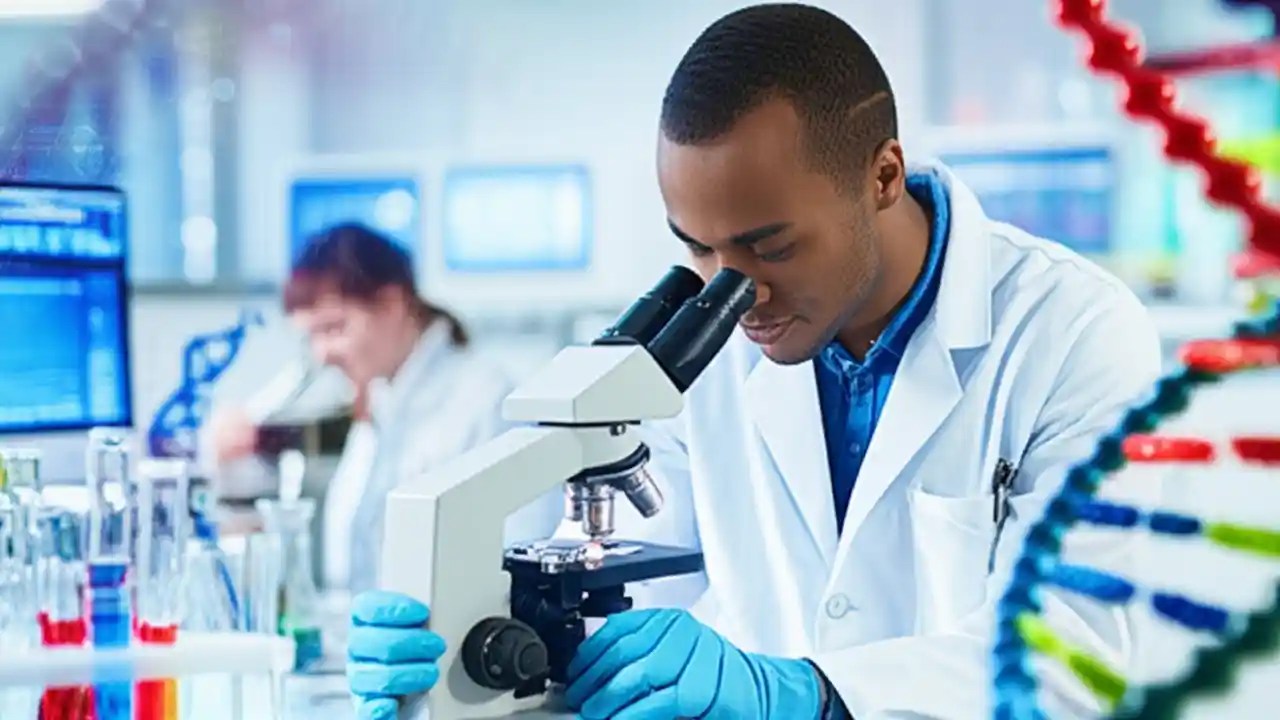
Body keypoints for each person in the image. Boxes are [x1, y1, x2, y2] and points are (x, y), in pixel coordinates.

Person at [344, 5, 1163, 719]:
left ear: (882, 175)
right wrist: (467, 631)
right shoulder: (705, 358)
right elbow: (622, 588)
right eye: (697, 249)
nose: (734, 296)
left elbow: (1072, 658)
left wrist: (805, 694)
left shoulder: (1073, 334)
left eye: (768, 247)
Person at [208, 223, 559, 596]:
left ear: (392, 305)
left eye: (334, 328)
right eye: (312, 336)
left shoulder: (486, 402)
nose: (322, 354)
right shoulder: (380, 401)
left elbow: (519, 560)